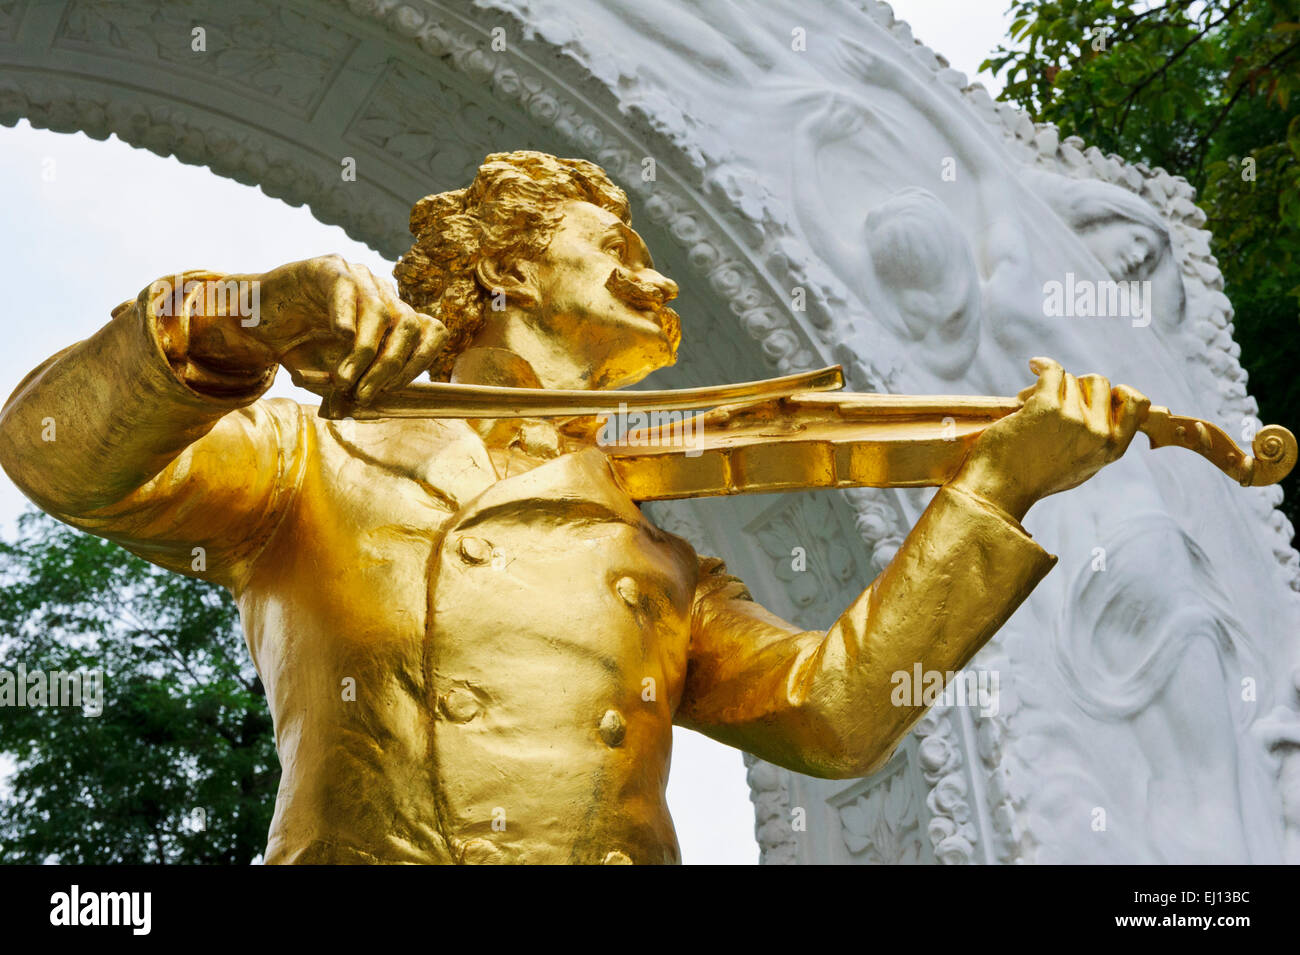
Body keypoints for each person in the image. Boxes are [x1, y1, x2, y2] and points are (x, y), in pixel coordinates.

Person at [0, 150, 1149, 864]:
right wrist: (238, 315)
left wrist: (992, 487)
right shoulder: (309, 461)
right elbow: (53, 453)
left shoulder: (660, 561)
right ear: (504, 268)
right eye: (615, 246)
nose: (655, 277)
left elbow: (835, 717)